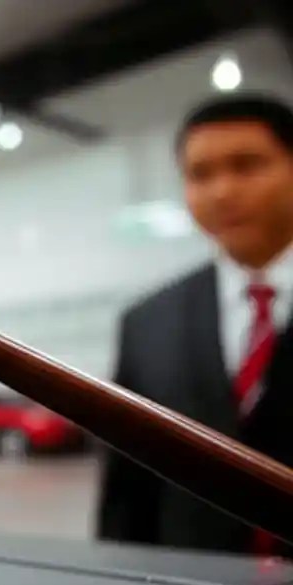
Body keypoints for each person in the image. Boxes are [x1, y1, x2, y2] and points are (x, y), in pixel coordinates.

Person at [97, 94, 293, 556]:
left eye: (247, 165)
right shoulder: (146, 323)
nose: (222, 191)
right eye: (200, 174)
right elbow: (128, 489)